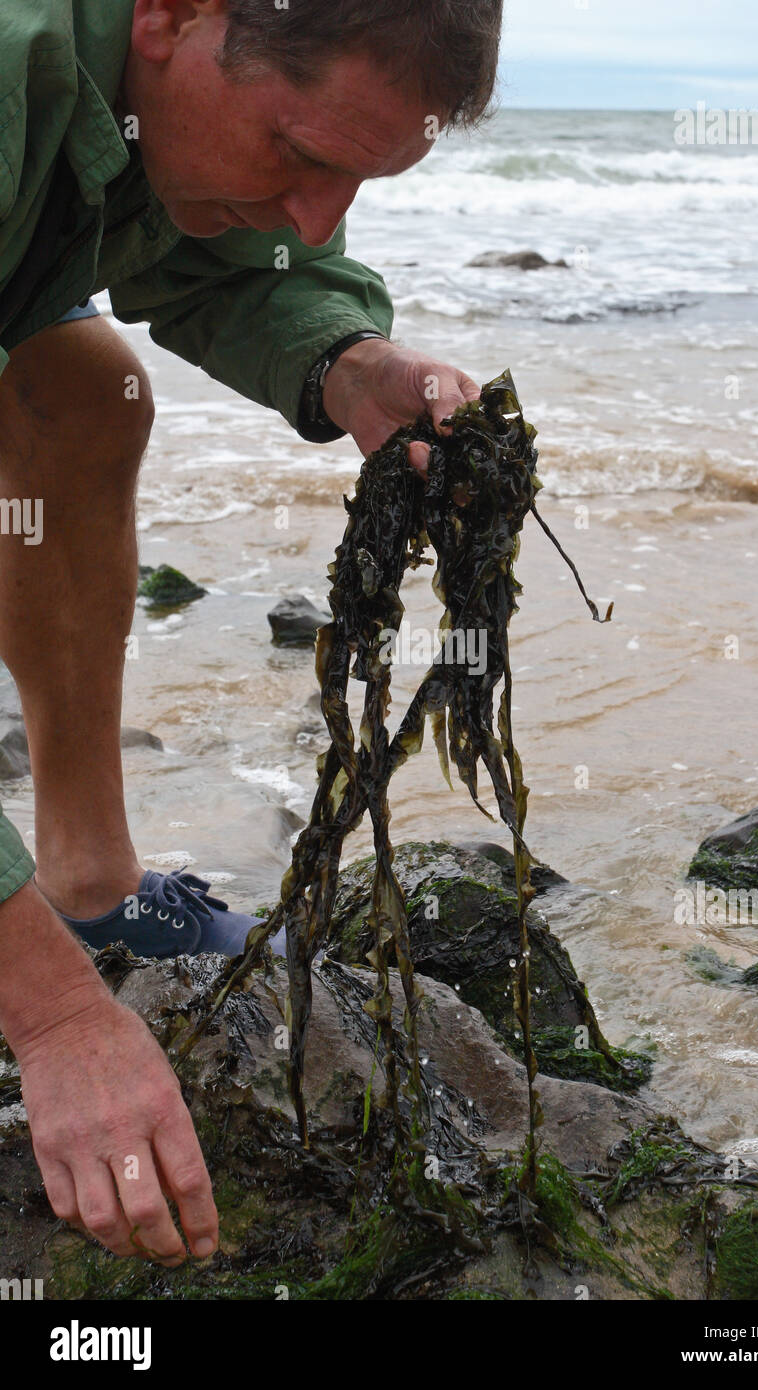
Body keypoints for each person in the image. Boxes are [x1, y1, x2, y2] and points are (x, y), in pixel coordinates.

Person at [0, 0, 501, 1268]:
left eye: (359, 178)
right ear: (173, 15)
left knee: (84, 389)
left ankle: (87, 879)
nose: (315, 217)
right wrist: (55, 1019)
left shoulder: (130, 89)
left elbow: (209, 255)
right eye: (303, 153)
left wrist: (347, 361)